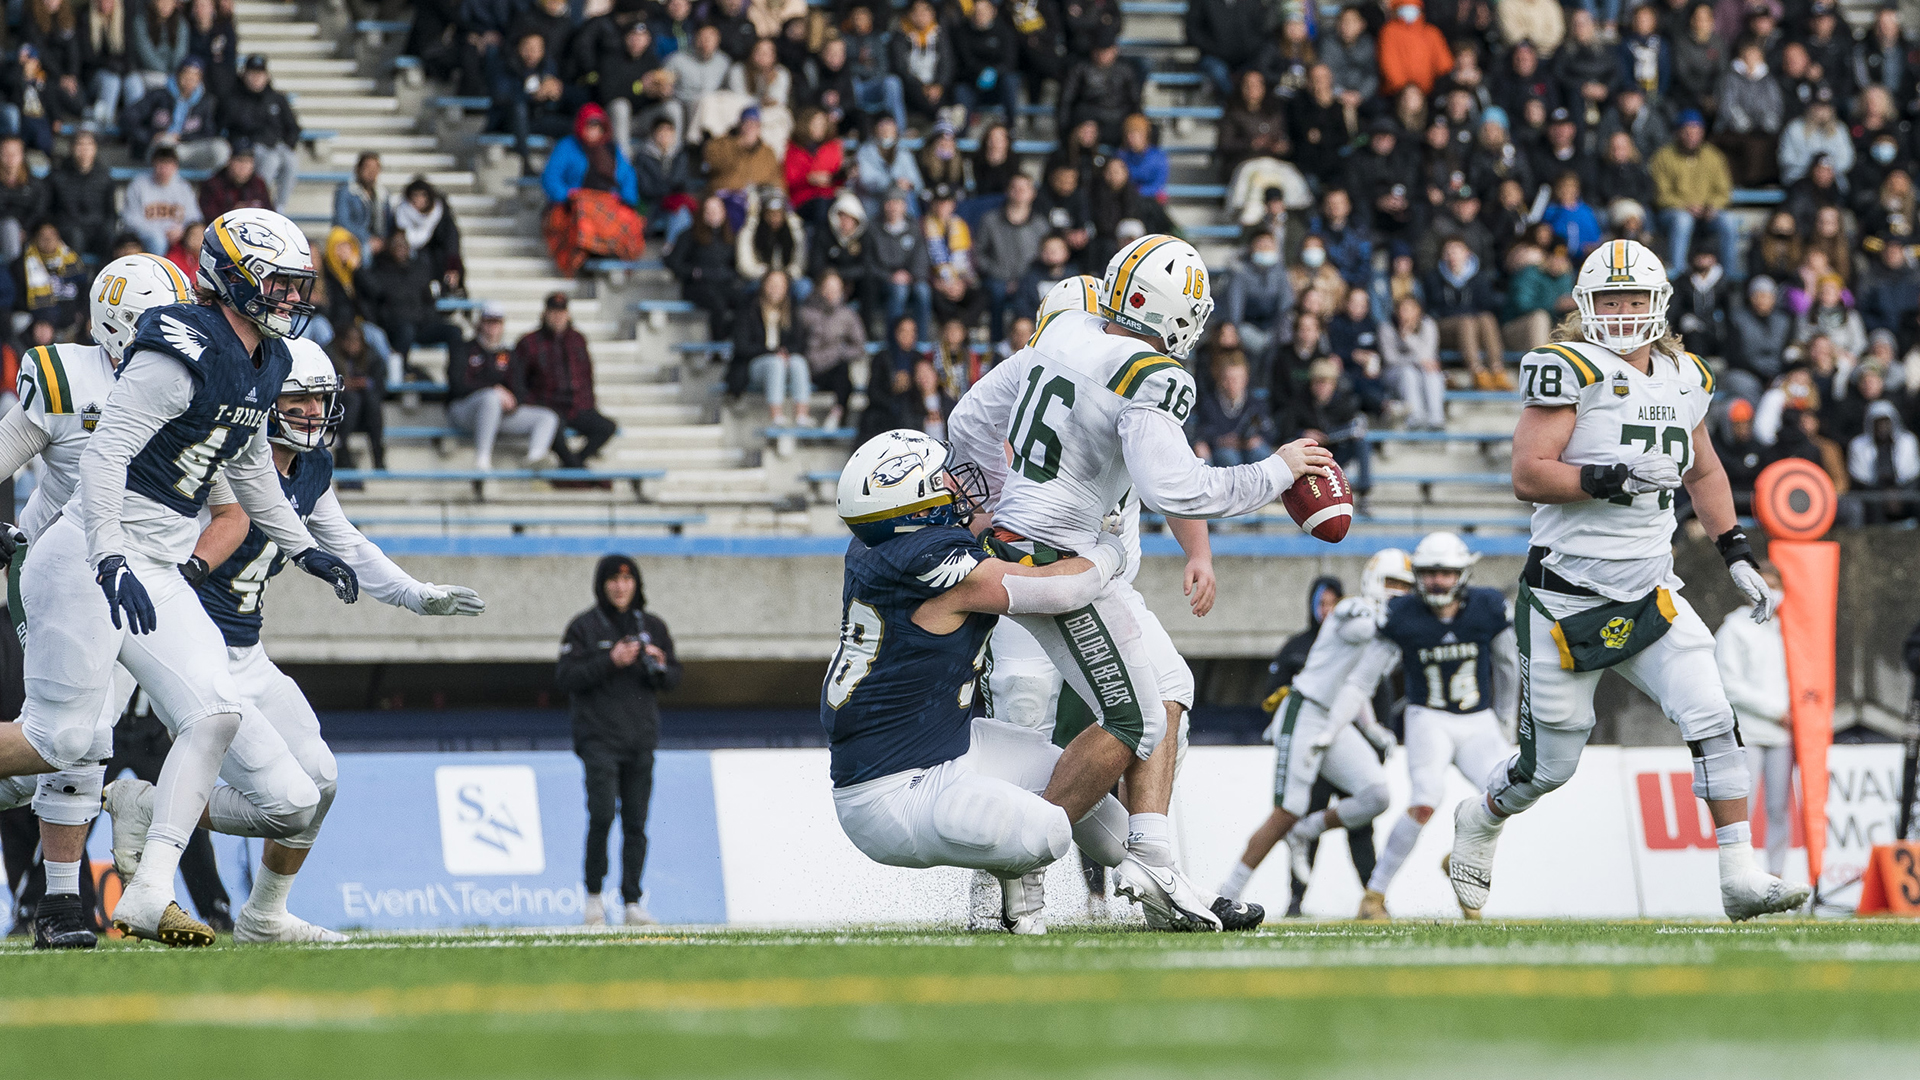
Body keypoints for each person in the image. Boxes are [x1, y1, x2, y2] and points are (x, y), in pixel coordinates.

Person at [945, 234, 1333, 930]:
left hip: (1078, 563)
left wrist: (985, 506)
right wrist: (1276, 473)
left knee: (1167, 689)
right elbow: (1178, 489)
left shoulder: (1062, 336)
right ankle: (1010, 872)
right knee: (1071, 711)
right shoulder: (1149, 374)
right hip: (1055, 561)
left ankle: (1153, 864)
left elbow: (967, 420)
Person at [0, 211, 360, 947]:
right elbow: (102, 461)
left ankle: (147, 888)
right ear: (232, 276)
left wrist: (302, 547)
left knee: (237, 736)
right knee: (60, 739)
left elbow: (252, 469)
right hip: (91, 556)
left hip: (157, 566)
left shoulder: (263, 361)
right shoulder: (177, 350)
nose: (293, 298)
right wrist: (106, 554)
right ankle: (109, 889)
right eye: (280, 284)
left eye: (299, 286)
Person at [1448, 237, 1812, 923]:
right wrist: (1609, 475)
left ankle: (1738, 874)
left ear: (1658, 304)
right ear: (1586, 306)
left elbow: (1703, 470)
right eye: (1609, 300)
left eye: (1633, 299)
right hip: (1565, 599)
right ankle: (1481, 815)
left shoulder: (1684, 376)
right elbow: (1529, 472)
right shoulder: (1569, 368)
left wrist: (1736, 551)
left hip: (1650, 590)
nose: (1620, 312)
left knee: (1712, 713)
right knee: (1547, 769)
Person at [100, 339, 488, 944]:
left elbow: (346, 544)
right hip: (197, 649)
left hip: (249, 651)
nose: (312, 413)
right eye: (299, 399)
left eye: (319, 400)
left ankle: (265, 917)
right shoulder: (222, 459)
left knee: (321, 780)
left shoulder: (311, 469)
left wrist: (415, 593)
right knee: (288, 802)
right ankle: (148, 810)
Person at [824, 430, 1141, 934]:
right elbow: (1065, 588)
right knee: (1050, 828)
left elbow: (986, 529)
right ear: (915, 501)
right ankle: (1017, 896)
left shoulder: (884, 548)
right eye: (941, 477)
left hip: (940, 747)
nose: (956, 483)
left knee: (1076, 782)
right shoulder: (929, 561)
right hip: (895, 792)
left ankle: (1159, 882)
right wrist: (1108, 547)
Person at [0, 253, 193, 947]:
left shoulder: (184, 382)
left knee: (84, 742)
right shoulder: (65, 377)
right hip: (60, 572)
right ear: (118, 325)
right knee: (68, 739)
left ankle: (57, 909)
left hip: (135, 582)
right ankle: (57, 908)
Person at [1340, 533, 1518, 919]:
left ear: (1462, 574)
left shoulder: (1487, 607)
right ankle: (1374, 896)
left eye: (1446, 573)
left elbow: (1507, 666)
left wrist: (1506, 719)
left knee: (1509, 795)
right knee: (1425, 799)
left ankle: (1462, 862)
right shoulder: (1403, 613)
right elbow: (1364, 677)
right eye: (1430, 572)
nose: (1437, 580)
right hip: (1428, 717)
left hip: (1478, 719)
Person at [1217, 550, 1409, 908]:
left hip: (1333, 719)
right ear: (1372, 582)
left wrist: (1371, 727)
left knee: (1376, 796)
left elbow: (1358, 686)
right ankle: (1226, 893)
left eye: (1404, 587)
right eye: (1391, 583)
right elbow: (1362, 627)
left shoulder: (1388, 635)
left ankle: (1308, 831)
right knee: (1286, 810)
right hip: (1304, 711)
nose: (1397, 592)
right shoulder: (1356, 611)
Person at [557, 555, 678, 927]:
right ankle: (594, 898)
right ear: (602, 584)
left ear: (637, 584)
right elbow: (566, 677)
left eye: (627, 579)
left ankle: (632, 902)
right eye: (613, 579)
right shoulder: (584, 626)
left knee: (637, 823)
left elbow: (674, 678)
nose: (620, 586)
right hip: (598, 739)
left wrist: (659, 663)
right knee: (603, 815)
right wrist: (611, 660)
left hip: (640, 739)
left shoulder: (652, 626)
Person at [1713, 561, 1791, 878]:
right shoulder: (1733, 629)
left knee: (1779, 810)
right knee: (1744, 809)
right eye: (1765, 585)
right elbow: (1729, 684)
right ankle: (1743, 873)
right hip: (1749, 733)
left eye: (1775, 586)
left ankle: (1777, 875)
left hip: (1782, 736)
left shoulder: (1787, 630)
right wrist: (1777, 712)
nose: (1771, 593)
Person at [447, 300, 560, 472]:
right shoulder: (464, 349)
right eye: (489, 321)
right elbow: (457, 385)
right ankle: (482, 459)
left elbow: (520, 388)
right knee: (490, 398)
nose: (493, 327)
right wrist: (493, 390)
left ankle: (535, 456)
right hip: (465, 409)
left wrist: (513, 400)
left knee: (547, 417)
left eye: (497, 322)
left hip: (498, 412)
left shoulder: (509, 355)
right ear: (480, 323)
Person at [519, 292, 618, 468]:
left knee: (607, 427)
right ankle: (575, 468)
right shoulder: (529, 342)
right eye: (553, 312)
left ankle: (573, 464)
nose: (557, 317)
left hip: (577, 406)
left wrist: (589, 403)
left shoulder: (577, 340)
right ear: (545, 314)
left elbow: (587, 375)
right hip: (549, 406)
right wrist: (532, 402)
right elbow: (519, 379)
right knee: (551, 426)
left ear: (568, 314)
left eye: (561, 312)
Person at [1650, 111, 1739, 274]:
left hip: (1707, 212)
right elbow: (1660, 195)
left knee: (1729, 221)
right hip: (1673, 213)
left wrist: (1711, 206)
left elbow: (1724, 190)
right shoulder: (1663, 157)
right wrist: (1685, 206)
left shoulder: (1713, 157)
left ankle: (1729, 276)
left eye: (1696, 132)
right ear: (1678, 132)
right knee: (1683, 220)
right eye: (1687, 131)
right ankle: (1679, 273)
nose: (1692, 136)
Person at [219, 55, 300, 210]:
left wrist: (289, 143)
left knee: (291, 161)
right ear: (244, 75)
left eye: (260, 74)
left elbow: (293, 127)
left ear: (267, 76)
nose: (256, 78)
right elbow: (226, 126)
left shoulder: (277, 99)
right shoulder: (234, 99)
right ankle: (261, 204)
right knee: (270, 161)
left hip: (277, 144)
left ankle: (280, 207)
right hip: (250, 145)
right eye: (252, 73)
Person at [48, 128, 114, 261]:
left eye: (89, 144)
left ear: (95, 148)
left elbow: (111, 212)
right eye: (80, 144)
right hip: (68, 229)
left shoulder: (104, 176)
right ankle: (75, 279)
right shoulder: (57, 175)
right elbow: (49, 209)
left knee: (110, 234)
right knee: (75, 235)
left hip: (96, 229)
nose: (84, 149)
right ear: (71, 148)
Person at [120, 145, 199, 255]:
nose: (164, 169)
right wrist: (159, 231)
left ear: (175, 166)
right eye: (161, 164)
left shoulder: (183, 187)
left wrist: (182, 231)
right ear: (154, 164)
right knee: (158, 240)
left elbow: (194, 218)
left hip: (178, 236)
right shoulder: (139, 185)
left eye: (168, 164)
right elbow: (130, 220)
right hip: (146, 238)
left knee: (197, 238)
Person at [1381, 295, 1445, 430]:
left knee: (1432, 374)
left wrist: (1409, 337)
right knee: (1408, 372)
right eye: (1402, 309)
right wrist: (1416, 360)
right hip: (1395, 372)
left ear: (1418, 311)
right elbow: (1390, 359)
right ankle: (1415, 417)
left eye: (1410, 309)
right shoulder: (1387, 327)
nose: (1405, 313)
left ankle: (1436, 418)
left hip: (1423, 369)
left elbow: (1428, 354)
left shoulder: (1428, 325)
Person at [1378, 0, 1452, 97]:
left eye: (1414, 7)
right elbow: (1388, 62)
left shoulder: (1432, 32)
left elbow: (1444, 65)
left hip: (1428, 92)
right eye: (1404, 7)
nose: (1409, 10)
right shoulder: (1389, 31)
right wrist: (1406, 90)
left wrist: (1430, 87)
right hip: (1396, 93)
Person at [196, 141, 271, 221]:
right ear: (229, 161)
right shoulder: (213, 184)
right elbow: (209, 219)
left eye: (248, 162)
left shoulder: (258, 184)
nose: (243, 167)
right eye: (240, 161)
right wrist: (233, 214)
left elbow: (270, 215)